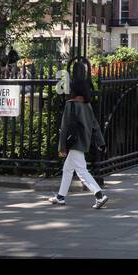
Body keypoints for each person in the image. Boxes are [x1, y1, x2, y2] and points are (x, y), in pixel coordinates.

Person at [50, 80, 109, 208]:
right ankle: (60, 197)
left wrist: (62, 147)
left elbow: (65, 127)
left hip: (74, 142)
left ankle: (100, 196)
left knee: (82, 171)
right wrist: (101, 143)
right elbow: (95, 126)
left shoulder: (70, 104)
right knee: (68, 169)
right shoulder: (87, 105)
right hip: (83, 142)